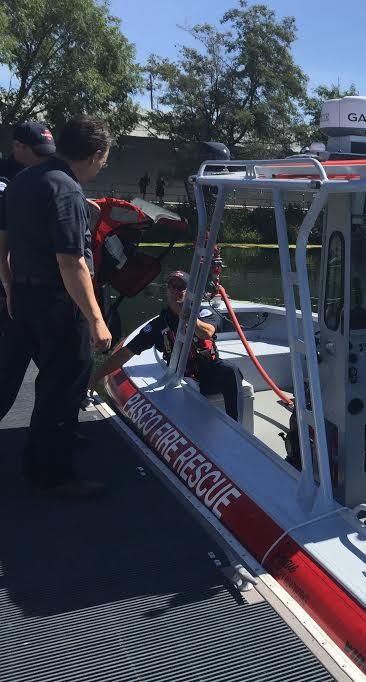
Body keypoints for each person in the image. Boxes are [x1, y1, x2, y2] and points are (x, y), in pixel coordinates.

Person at [5, 115, 113, 497]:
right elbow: (72, 262)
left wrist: (9, 287)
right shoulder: (65, 189)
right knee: (62, 388)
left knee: (48, 384)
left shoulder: (23, 180)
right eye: (104, 158)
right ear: (95, 154)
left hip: (24, 296)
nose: (103, 166)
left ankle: (35, 464)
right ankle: (53, 479)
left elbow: (4, 241)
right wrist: (96, 320)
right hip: (56, 302)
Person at [91, 270, 244, 422]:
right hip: (182, 375)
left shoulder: (203, 313)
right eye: (172, 286)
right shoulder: (158, 325)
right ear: (167, 290)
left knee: (230, 370)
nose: (176, 291)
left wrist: (191, 319)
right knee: (187, 387)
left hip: (209, 372)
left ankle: (237, 424)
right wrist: (97, 376)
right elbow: (125, 353)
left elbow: (207, 333)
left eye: (181, 287)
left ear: (190, 292)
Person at [0, 122, 57, 423]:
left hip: (26, 290)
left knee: (54, 368)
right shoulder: (11, 180)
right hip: (11, 286)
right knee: (10, 371)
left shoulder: (43, 178)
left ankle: (60, 426)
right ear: (17, 147)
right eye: (37, 152)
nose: (42, 159)